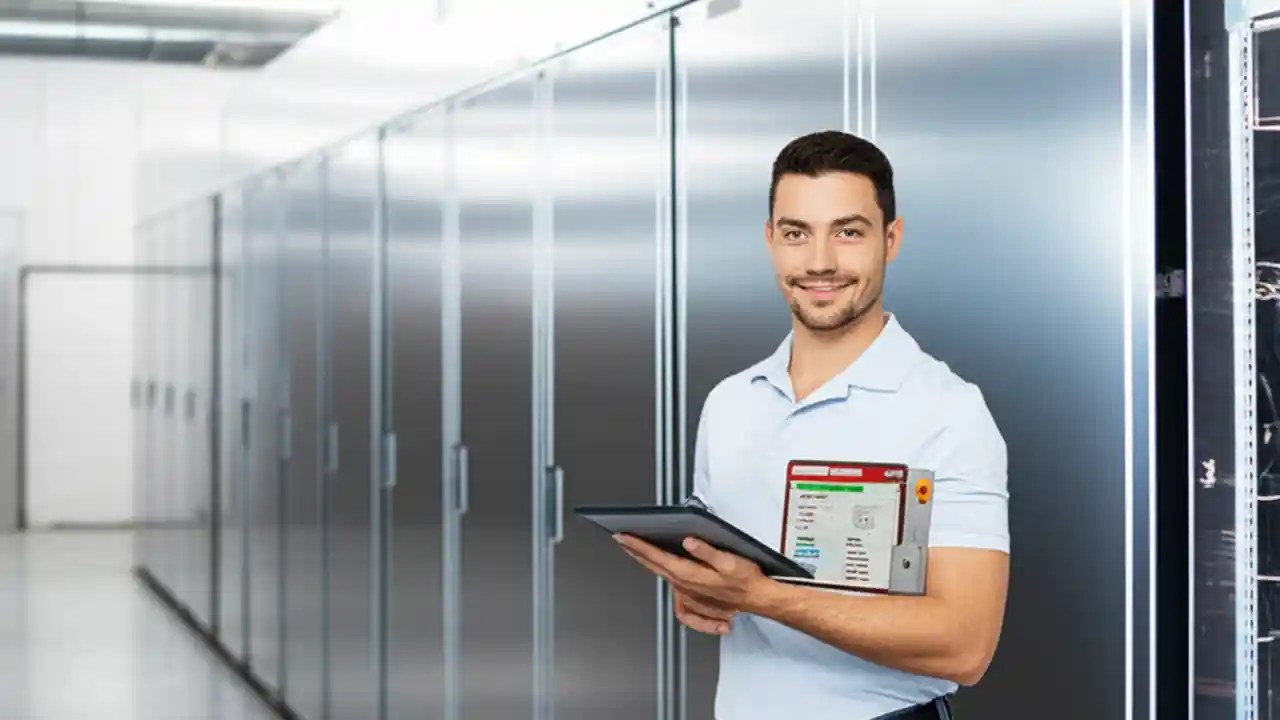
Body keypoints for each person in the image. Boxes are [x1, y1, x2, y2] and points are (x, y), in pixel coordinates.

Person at [614, 130, 1010, 720]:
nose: (820, 262)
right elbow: (725, 573)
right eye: (797, 234)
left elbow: (965, 645)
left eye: (848, 232)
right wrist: (699, 587)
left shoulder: (948, 412)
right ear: (771, 240)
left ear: (891, 240)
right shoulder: (729, 404)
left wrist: (764, 598)